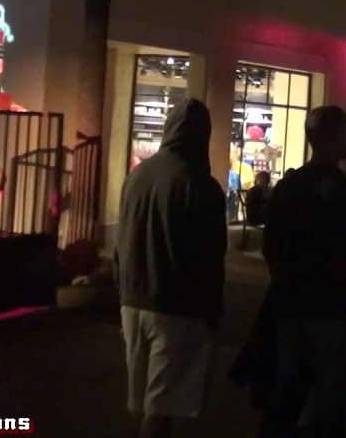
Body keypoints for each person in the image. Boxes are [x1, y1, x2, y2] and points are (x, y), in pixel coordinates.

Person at [257, 105, 346, 438]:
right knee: (334, 400)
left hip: (292, 305)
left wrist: (283, 283)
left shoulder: (288, 189)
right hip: (336, 310)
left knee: (286, 396)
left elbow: (271, 248)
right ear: (333, 138)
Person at [116, 98, 227, 438]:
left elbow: (122, 242)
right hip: (177, 306)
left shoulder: (137, 177)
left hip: (134, 299)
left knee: (145, 399)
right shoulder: (200, 184)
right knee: (162, 406)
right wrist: (212, 311)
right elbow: (211, 255)